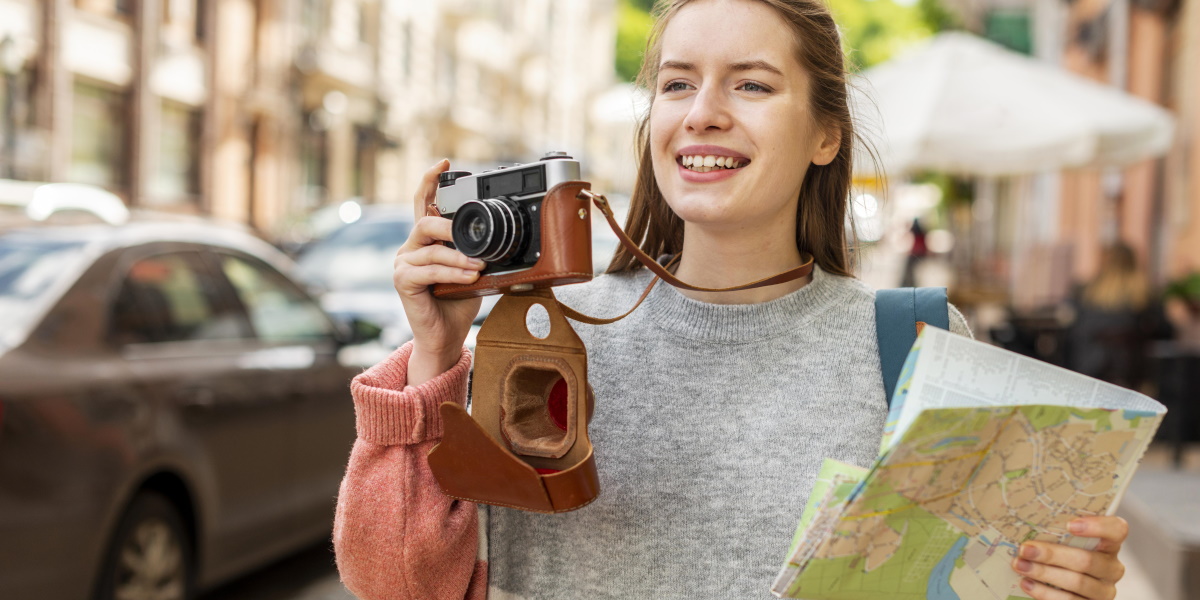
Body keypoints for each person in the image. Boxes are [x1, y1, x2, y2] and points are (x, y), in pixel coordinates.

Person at [333, 1, 1131, 598]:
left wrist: (1055, 582)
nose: (702, 113)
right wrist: (434, 356)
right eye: (677, 84)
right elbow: (396, 586)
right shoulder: (541, 332)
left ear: (825, 135)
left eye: (751, 84)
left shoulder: (914, 343)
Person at [1066, 242, 1172, 390]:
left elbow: (1074, 326)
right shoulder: (1144, 293)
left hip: (1090, 366)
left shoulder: (1086, 291)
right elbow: (1165, 330)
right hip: (1131, 370)